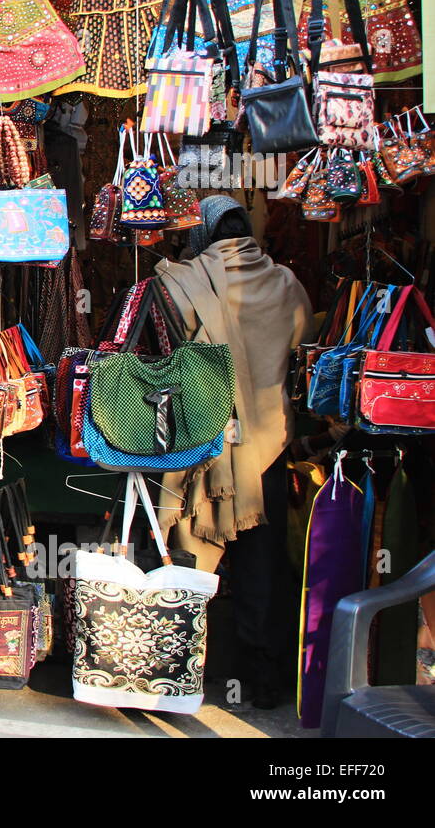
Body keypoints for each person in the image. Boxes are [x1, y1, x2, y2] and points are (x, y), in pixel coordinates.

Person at [153, 194, 313, 708]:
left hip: (203, 443)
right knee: (260, 569)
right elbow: (302, 343)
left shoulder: (181, 281)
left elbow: (166, 356)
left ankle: (175, 675)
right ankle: (264, 684)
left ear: (202, 233)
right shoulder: (286, 283)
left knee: (190, 556)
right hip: (267, 448)